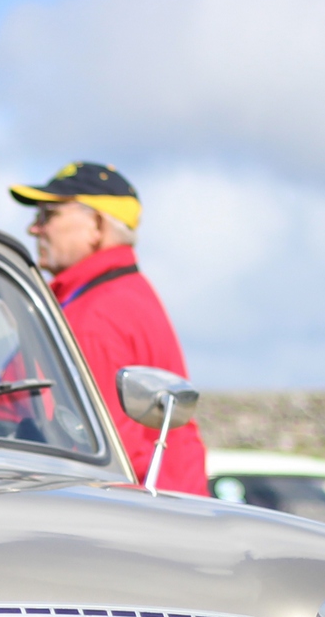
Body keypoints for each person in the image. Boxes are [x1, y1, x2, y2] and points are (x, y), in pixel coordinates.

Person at [10, 162, 206, 495]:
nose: (34, 230)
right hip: (166, 507)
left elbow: (105, 454)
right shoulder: (120, 293)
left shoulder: (95, 314)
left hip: (130, 516)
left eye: (48, 215)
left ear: (96, 225)